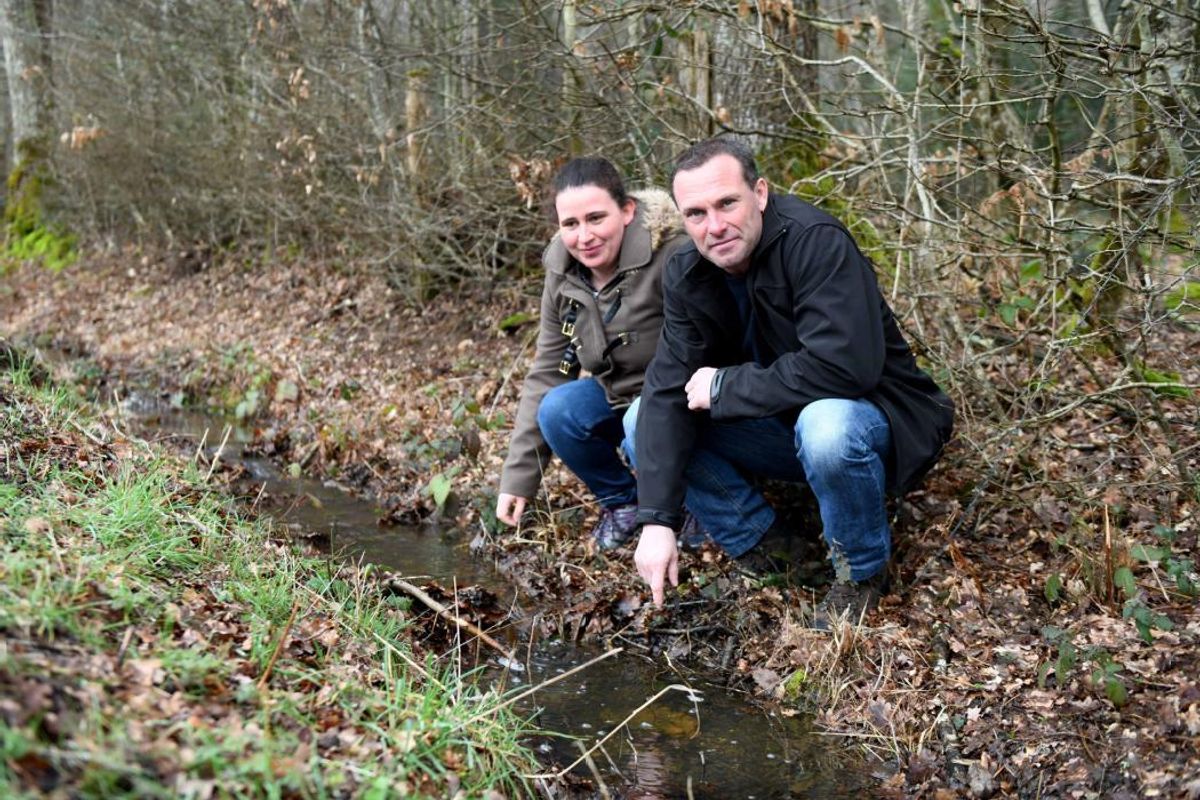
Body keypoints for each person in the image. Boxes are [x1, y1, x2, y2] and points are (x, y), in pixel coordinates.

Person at [626, 137, 954, 628]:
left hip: (875, 423)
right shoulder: (687, 273)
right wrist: (656, 518)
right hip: (778, 428)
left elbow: (847, 368)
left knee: (827, 425)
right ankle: (773, 549)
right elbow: (667, 392)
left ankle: (861, 573)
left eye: (727, 203)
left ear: (760, 193)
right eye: (695, 214)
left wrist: (726, 388)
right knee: (638, 421)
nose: (714, 226)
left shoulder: (814, 240)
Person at [496, 156, 687, 549]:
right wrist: (517, 480)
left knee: (642, 420)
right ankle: (624, 504)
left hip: (683, 402)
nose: (584, 236)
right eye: (571, 224)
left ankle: (695, 504)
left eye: (596, 218)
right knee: (558, 407)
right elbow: (548, 369)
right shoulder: (563, 273)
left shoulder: (674, 255)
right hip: (619, 400)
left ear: (627, 211)